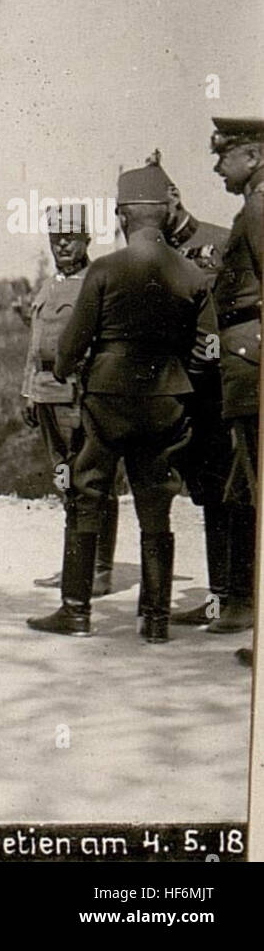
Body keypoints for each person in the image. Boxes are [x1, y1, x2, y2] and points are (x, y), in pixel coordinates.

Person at [28, 164, 217, 642]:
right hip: (168, 402)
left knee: (86, 495)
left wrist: (67, 369)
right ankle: (155, 621)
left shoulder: (105, 271)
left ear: (122, 217)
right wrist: (180, 380)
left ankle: (76, 613)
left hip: (108, 401)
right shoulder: (193, 273)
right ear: (163, 212)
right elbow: (208, 346)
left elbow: (71, 346)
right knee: (156, 506)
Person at [152, 158, 238, 632]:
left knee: (233, 488)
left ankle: (238, 597)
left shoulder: (221, 240)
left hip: (224, 385)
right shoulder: (153, 252)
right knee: (206, 491)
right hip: (184, 391)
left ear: (174, 197)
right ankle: (218, 595)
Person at [20, 207, 117, 596]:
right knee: (65, 481)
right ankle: (74, 565)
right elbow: (34, 346)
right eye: (55, 237)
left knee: (91, 482)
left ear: (86, 240)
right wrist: (28, 391)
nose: (62, 244)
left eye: (71, 237)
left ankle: (99, 570)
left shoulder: (94, 283)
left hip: (79, 394)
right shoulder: (48, 286)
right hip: (46, 394)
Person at [207, 116, 263, 668]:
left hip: (254, 363)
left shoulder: (259, 208)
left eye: (223, 154)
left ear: (252, 155)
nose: (216, 163)